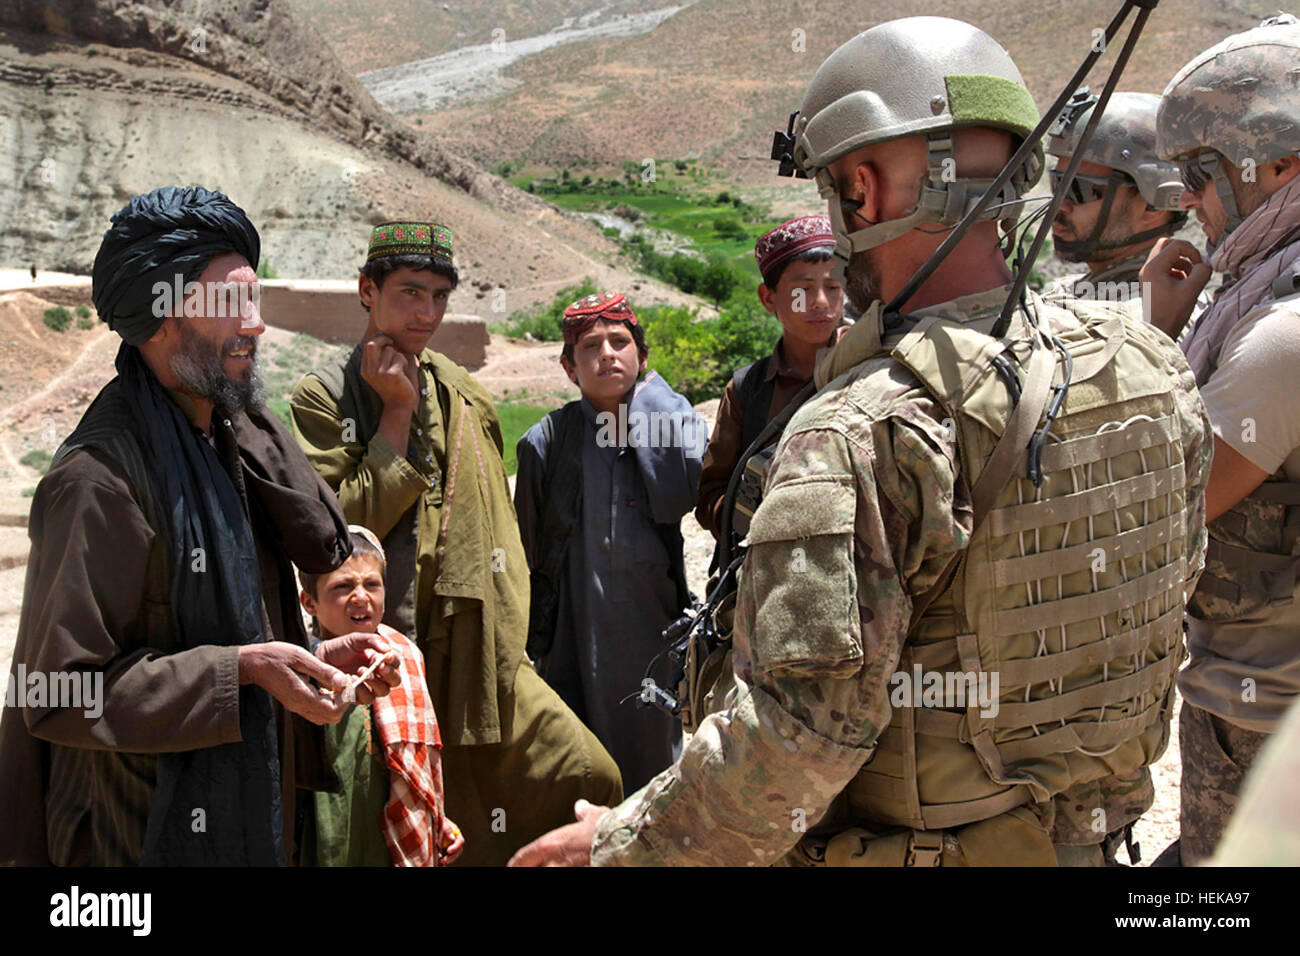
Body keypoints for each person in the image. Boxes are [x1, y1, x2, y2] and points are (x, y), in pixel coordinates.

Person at [511, 16, 1212, 868]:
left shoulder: (861, 428)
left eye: (832, 189)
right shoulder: (1148, 364)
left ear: (864, 191)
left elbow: (796, 744)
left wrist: (622, 842)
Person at [0, 186, 399, 866]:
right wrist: (240, 671)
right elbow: (57, 693)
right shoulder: (99, 481)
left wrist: (300, 658)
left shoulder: (223, 443)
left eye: (255, 299)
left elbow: (233, 622)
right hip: (137, 835)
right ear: (158, 318)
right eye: (229, 303)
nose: (256, 324)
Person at [290, 221, 623, 865]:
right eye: (410, 292)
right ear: (367, 290)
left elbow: (495, 517)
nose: (427, 312)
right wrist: (395, 411)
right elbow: (333, 535)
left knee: (585, 772)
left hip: (476, 638)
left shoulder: (459, 388)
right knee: (392, 809)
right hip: (383, 646)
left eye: (439, 296)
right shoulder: (325, 395)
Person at [1138, 14, 1300, 867]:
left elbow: (1168, 505)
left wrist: (1155, 339)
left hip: (1263, 713)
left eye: (1203, 173)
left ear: (1281, 162)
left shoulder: (1282, 336)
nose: (1191, 201)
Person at [514, 292, 704, 793]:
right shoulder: (545, 443)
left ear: (642, 356)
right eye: (590, 347)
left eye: (620, 342)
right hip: (573, 638)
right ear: (569, 367)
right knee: (580, 767)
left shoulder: (665, 428)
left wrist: (653, 398)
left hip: (652, 632)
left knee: (655, 770)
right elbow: (527, 554)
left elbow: (694, 486)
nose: (607, 355)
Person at [299, 525, 465, 866]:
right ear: (309, 602)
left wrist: (436, 820)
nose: (361, 596)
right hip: (323, 841)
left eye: (371, 584)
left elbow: (418, 765)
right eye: (343, 586)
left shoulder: (405, 659)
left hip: (385, 847)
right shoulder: (299, 671)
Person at [695, 216, 843, 541]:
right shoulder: (747, 389)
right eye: (803, 290)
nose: (821, 302)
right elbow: (710, 495)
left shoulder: (868, 369)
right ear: (768, 298)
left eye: (833, 287)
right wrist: (753, 519)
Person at [1043, 89, 1187, 315]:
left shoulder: (1148, 313)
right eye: (1057, 184)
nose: (1059, 205)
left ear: (1153, 207)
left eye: (1079, 190)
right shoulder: (1087, 292)